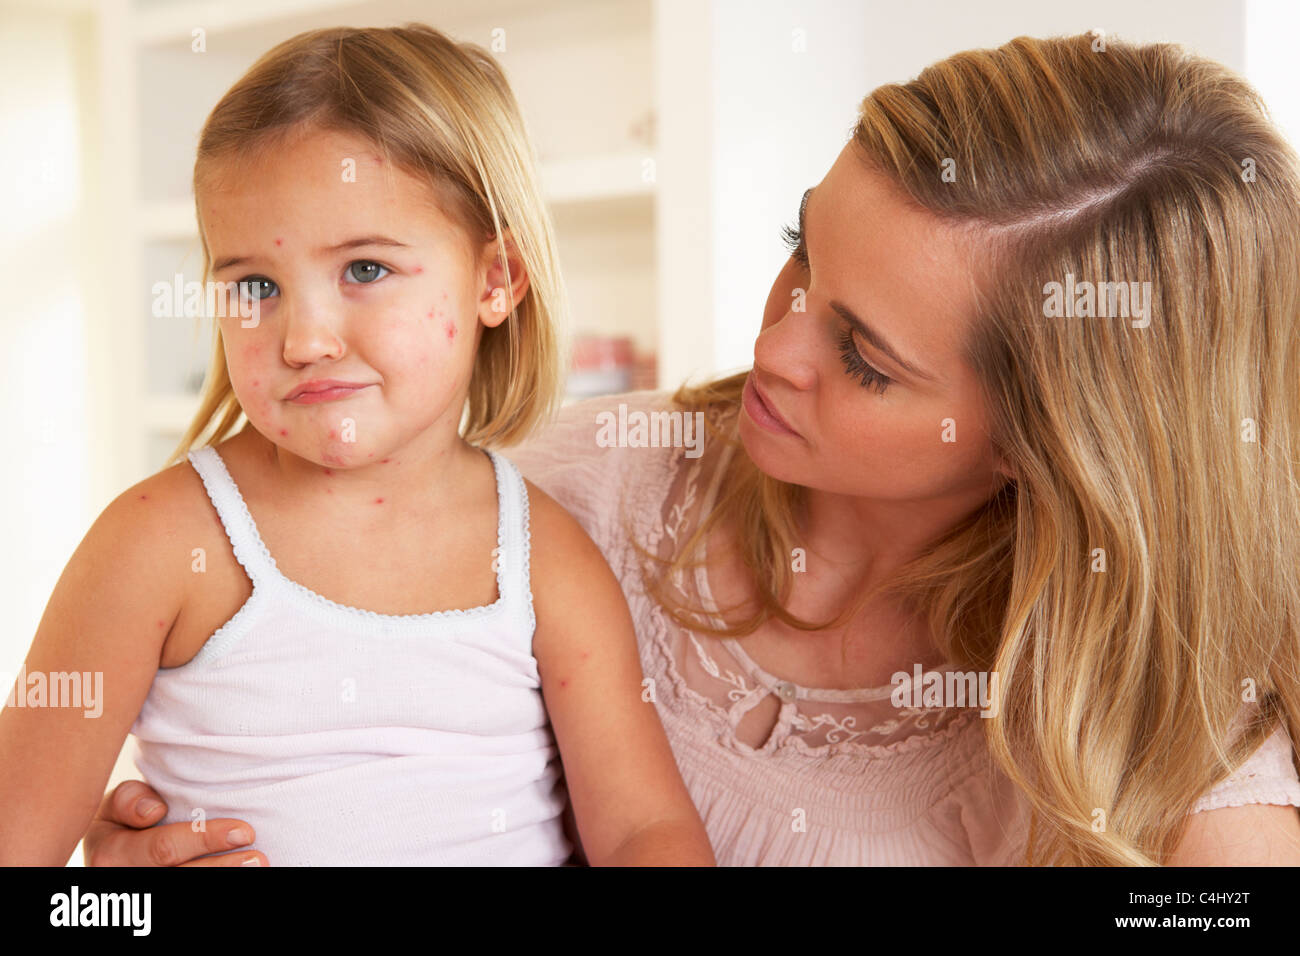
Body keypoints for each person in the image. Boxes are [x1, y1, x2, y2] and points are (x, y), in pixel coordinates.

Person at [86, 32, 1300, 866]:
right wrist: (141, 861)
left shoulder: (1160, 707)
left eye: (866, 358)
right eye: (801, 252)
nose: (774, 349)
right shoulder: (558, 499)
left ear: (1054, 449)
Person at [0, 24, 713, 866]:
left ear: (495, 281)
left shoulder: (547, 563)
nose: (303, 339)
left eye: (364, 270)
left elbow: (643, 831)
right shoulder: (157, 543)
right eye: (255, 287)